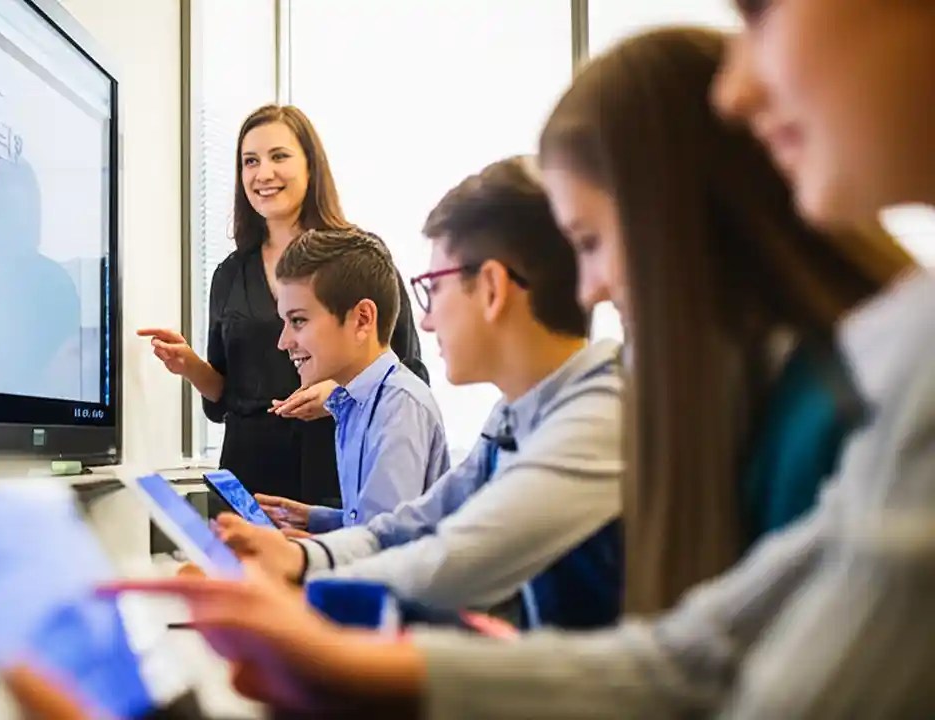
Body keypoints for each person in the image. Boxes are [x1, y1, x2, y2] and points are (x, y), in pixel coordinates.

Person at [106, 24, 935, 718]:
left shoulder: (843, 391)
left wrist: (310, 599)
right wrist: (311, 592)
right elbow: (688, 661)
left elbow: (459, 555)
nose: (595, 287)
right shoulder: (821, 380)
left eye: (592, 244)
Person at [537, 28, 910, 613]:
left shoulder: (833, 416)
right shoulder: (767, 397)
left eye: (589, 242)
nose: (590, 290)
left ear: (684, 217)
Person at [220, 156, 625, 629]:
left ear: (491, 287)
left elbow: (452, 563)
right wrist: (301, 560)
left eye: (432, 290)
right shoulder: (512, 416)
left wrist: (287, 587)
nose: (427, 320)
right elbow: (409, 526)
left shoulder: (595, 418)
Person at [138, 105, 427, 506]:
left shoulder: (359, 257)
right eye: (250, 161)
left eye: (279, 156)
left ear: (311, 166)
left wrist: (338, 395)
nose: (263, 173)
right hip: (251, 475)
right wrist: (191, 366)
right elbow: (224, 400)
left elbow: (407, 373)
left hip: (335, 470)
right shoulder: (230, 274)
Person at [263, 228, 448, 533]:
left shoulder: (399, 408)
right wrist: (317, 520)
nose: (283, 342)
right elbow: (378, 521)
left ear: (362, 319)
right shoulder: (354, 403)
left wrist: (303, 550)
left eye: (298, 321)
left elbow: (389, 546)